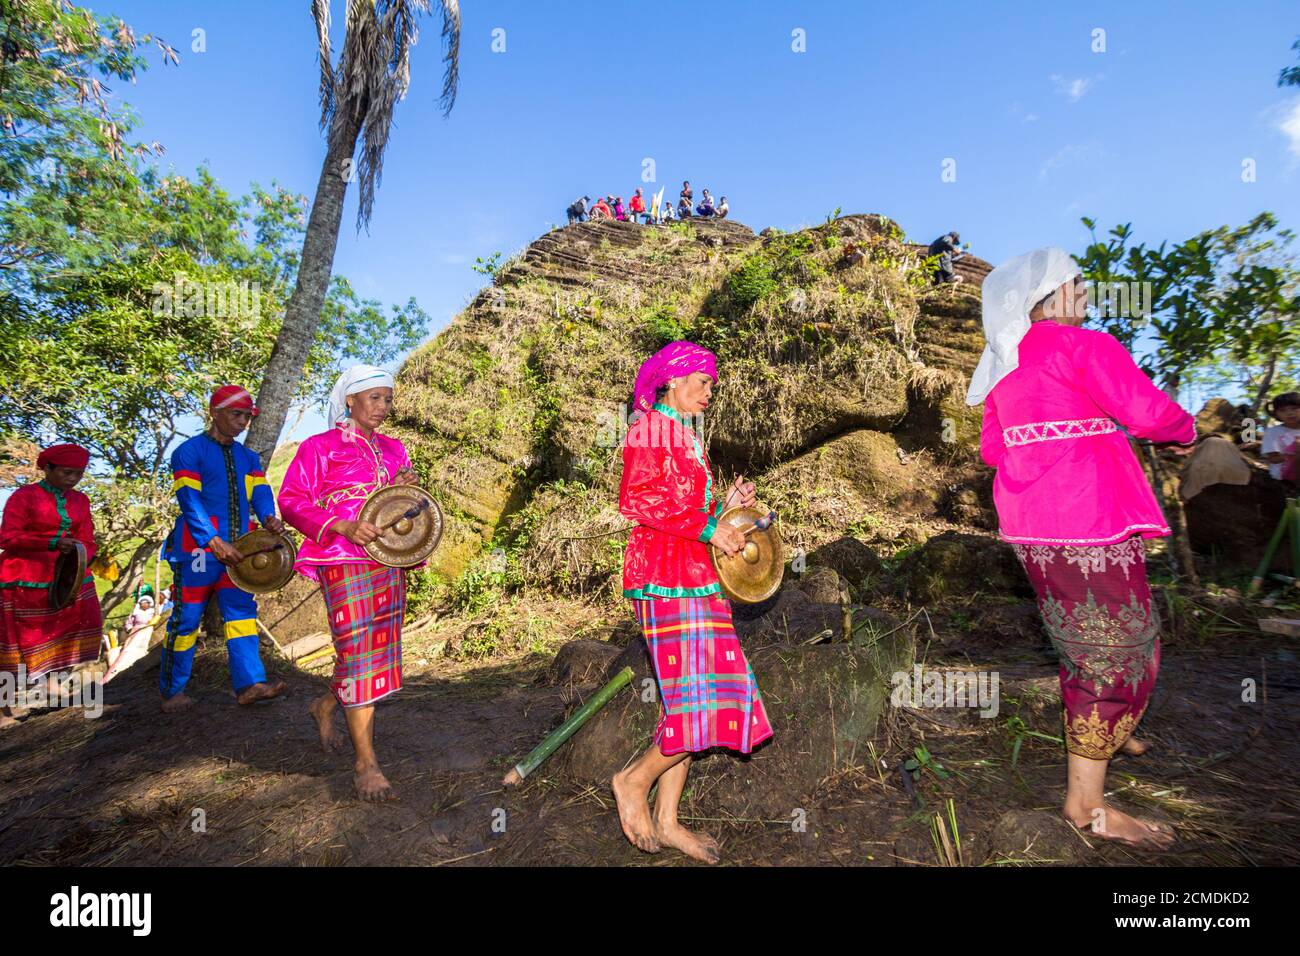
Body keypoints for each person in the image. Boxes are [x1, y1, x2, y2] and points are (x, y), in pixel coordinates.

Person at [968, 247, 1196, 849]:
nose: (1088, 294)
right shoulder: (1085, 347)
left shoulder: (1004, 367)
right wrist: (1187, 430)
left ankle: (1113, 728)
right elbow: (1149, 413)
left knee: (1123, 635)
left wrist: (1055, 434)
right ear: (1058, 296)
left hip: (1035, 528)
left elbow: (994, 450)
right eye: (1079, 285)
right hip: (1090, 520)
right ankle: (1087, 806)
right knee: (1111, 652)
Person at [611, 341, 774, 863]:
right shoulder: (649, 429)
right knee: (702, 699)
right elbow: (637, 501)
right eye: (703, 382)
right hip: (663, 577)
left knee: (689, 701)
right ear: (674, 381)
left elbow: (686, 506)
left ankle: (669, 819)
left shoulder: (684, 436)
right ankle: (633, 781)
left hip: (695, 575)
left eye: (710, 384)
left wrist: (725, 508)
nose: (709, 391)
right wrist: (709, 526)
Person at [278, 365, 420, 802]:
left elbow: (406, 510)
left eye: (388, 399)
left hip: (388, 562)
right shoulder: (319, 447)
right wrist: (339, 524)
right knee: (357, 649)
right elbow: (291, 500)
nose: (383, 407)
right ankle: (366, 764)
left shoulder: (395, 449)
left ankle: (326, 704)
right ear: (350, 401)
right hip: (342, 559)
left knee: (372, 648)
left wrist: (407, 492)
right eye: (374, 398)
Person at [159, 386, 288, 712]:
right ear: (214, 412)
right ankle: (172, 691)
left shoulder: (248, 458)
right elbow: (190, 501)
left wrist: (269, 517)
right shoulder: (188, 453)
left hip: (240, 555)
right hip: (197, 552)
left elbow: (260, 494)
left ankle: (250, 685)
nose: (243, 422)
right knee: (186, 619)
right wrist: (213, 541)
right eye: (237, 414)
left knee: (241, 615)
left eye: (247, 416)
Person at [0, 444, 103, 727]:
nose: (73, 479)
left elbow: (87, 537)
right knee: (13, 646)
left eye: (79, 474)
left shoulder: (81, 501)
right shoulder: (24, 497)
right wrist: (51, 543)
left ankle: (55, 687)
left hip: (68, 576)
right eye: (67, 473)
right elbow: (8, 538)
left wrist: (83, 556)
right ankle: (4, 709)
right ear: (48, 469)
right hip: (23, 576)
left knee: (84, 621)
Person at [105, 589, 157, 683]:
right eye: (142, 603)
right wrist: (129, 629)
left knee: (137, 649)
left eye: (146, 603)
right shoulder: (135, 612)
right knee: (126, 649)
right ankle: (117, 669)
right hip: (134, 631)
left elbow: (154, 622)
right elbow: (128, 622)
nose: (144, 605)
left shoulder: (152, 612)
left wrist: (149, 626)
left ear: (150, 604)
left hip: (145, 632)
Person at [1261, 392, 1300, 482]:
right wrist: (1293, 455)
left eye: (1294, 408)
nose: (1290, 413)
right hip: (1284, 472)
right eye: (1283, 410)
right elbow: (1273, 459)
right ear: (1276, 414)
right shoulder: (1272, 432)